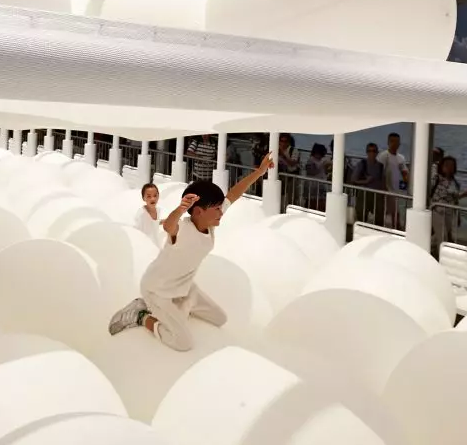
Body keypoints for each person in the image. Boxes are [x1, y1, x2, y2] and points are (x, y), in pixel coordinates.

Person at [108, 155, 274, 351]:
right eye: (216, 209)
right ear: (198, 212)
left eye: (221, 208)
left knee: (220, 318)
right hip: (157, 289)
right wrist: (181, 207)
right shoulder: (182, 229)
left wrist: (259, 172)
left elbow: (234, 194)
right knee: (183, 342)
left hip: (185, 288)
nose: (221, 212)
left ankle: (181, 308)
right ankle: (140, 316)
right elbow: (170, 225)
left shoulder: (209, 223)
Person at [377, 132, 409, 227]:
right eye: (392, 141)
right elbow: (379, 173)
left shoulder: (401, 158)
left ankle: (396, 229)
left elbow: (405, 173)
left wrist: (408, 186)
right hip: (387, 190)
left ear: (399, 143)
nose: (394, 144)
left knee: (396, 212)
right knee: (393, 213)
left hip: (398, 190)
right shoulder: (383, 156)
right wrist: (383, 189)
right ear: (388, 142)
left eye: (397, 142)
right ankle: (395, 229)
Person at [350, 141, 386, 223]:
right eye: (369, 151)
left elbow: (383, 181)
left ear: (377, 153)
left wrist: (384, 195)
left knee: (379, 219)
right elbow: (353, 180)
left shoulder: (380, 166)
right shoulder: (362, 164)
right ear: (367, 152)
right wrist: (366, 181)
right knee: (361, 218)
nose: (372, 153)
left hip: (377, 195)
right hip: (364, 194)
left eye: (374, 151)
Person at [430, 155, 460, 249]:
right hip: (437, 210)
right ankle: (440, 257)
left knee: (448, 235)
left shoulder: (455, 182)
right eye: (446, 165)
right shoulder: (436, 178)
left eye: (451, 165)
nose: (449, 168)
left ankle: (432, 250)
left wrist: (458, 215)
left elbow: (456, 200)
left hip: (450, 212)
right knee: (443, 237)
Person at [303, 143, 330, 210]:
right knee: (311, 205)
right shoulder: (311, 160)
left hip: (321, 186)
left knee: (321, 205)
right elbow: (311, 172)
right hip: (312, 187)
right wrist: (322, 165)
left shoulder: (322, 160)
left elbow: (324, 172)